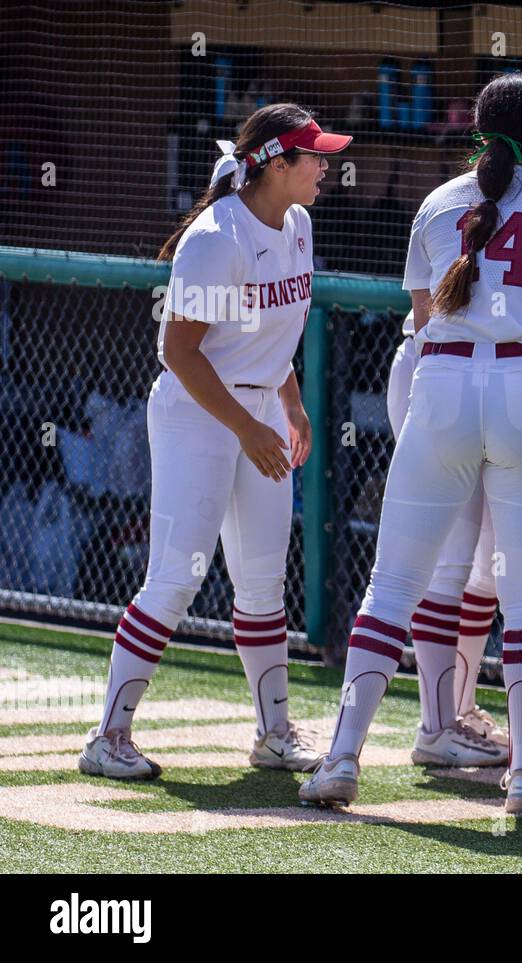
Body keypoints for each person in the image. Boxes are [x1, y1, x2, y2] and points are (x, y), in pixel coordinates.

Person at [301, 73, 522, 814]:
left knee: (391, 586)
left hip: (441, 386)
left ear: (476, 131)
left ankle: (343, 757)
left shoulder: (439, 201)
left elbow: (423, 318)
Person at [78, 105, 352, 780]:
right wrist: (248, 424)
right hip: (199, 413)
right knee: (176, 576)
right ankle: (107, 737)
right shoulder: (215, 237)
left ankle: (274, 730)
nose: (326, 166)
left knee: (263, 585)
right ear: (276, 164)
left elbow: (267, 328)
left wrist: (290, 403)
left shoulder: (298, 224)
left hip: (254, 411)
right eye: (314, 156)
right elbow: (181, 353)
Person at [381, 105, 522, 771]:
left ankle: (457, 711)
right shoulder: (472, 200)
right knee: (455, 564)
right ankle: (441, 722)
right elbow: (432, 318)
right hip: (460, 378)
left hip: (498, 383)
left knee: (490, 569)